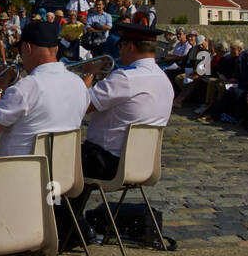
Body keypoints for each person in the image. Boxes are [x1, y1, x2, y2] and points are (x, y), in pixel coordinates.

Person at [0, 20, 91, 256]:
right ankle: (8, 250)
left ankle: (20, 248)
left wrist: (0, 87)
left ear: (27, 48)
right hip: (60, 178)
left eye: (20, 52)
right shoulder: (78, 85)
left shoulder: (27, 88)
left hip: (21, 179)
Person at [69, 22, 174, 239]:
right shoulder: (164, 80)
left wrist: (89, 75)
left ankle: (63, 226)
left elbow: (80, 106)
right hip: (141, 164)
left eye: (121, 46)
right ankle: (71, 226)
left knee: (55, 162)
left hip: (107, 163)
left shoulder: (126, 78)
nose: (119, 52)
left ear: (130, 47)